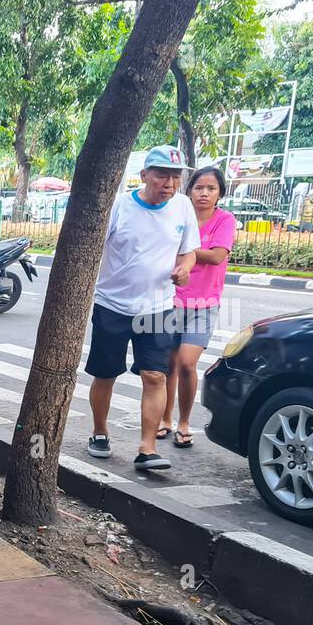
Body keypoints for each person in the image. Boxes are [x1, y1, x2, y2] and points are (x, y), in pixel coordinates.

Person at [85, 145, 200, 471]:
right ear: (144, 175)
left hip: (158, 308)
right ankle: (99, 432)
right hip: (113, 305)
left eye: (175, 176)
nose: (169, 183)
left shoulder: (182, 207)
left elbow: (188, 251)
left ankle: (147, 447)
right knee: (106, 374)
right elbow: (92, 248)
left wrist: (185, 267)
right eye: (162, 174)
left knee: (155, 375)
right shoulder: (119, 206)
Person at [159, 166, 234, 449]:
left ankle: (184, 422)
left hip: (204, 304)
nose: (204, 193)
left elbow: (216, 256)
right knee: (169, 363)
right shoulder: (177, 215)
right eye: (199, 187)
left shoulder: (225, 220)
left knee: (187, 364)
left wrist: (184, 250)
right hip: (171, 300)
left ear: (219, 193)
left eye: (211, 188)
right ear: (189, 190)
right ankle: (165, 420)